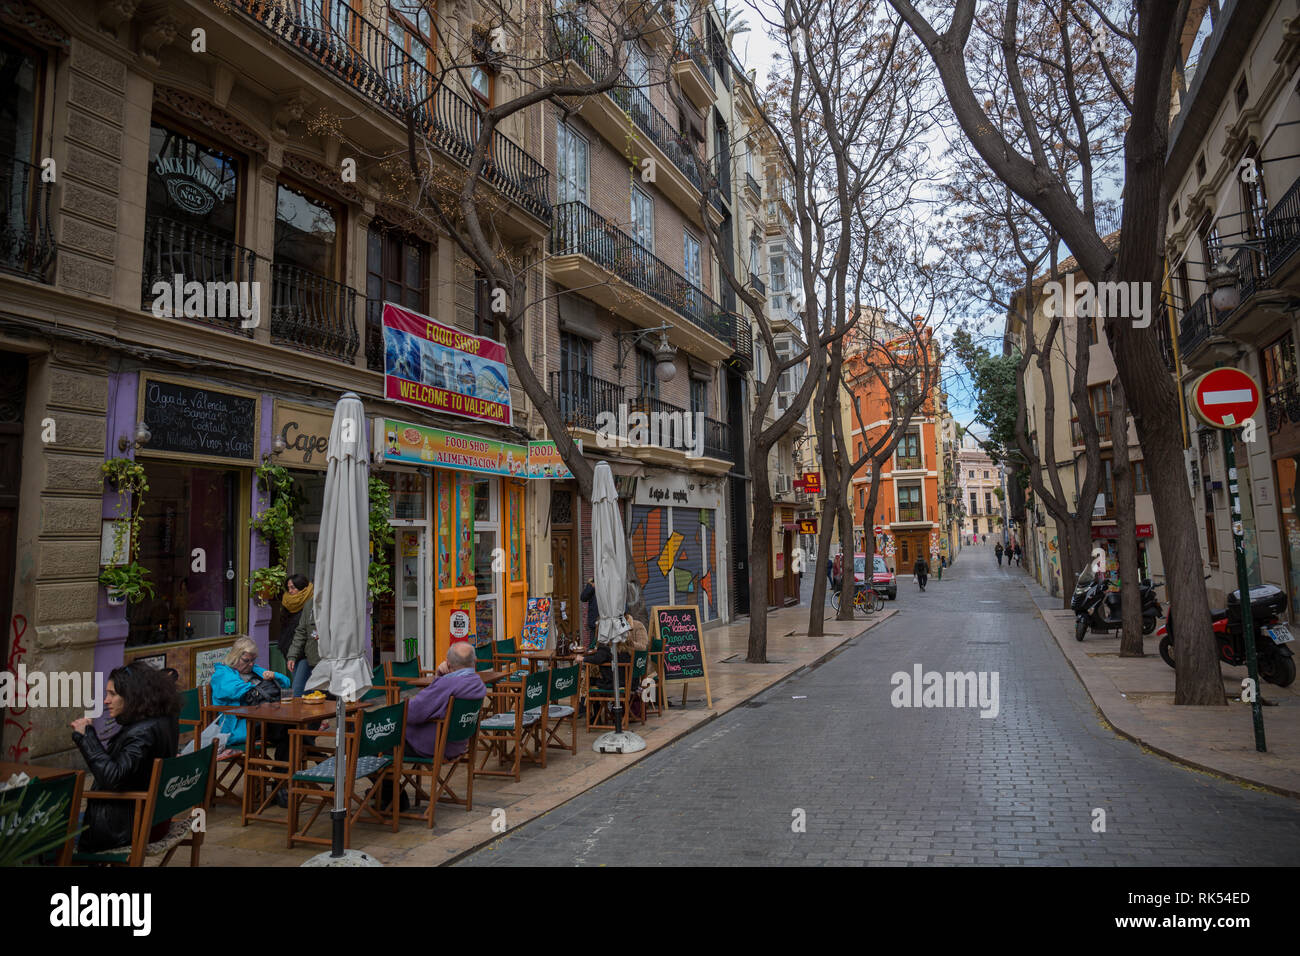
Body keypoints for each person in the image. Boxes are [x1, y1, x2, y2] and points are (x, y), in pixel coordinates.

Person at [70, 663, 180, 853]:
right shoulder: (164, 719)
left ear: (133, 696)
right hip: (151, 819)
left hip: (125, 827)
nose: (106, 700)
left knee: (43, 833)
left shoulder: (142, 733)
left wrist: (87, 738)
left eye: (112, 694)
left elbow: (113, 778)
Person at [405, 641, 487, 761]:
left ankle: (389, 780)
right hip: (458, 745)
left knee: (378, 743)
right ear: (475, 661)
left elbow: (412, 713)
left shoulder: (445, 684)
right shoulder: (478, 683)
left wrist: (439, 679)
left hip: (431, 746)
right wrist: (440, 677)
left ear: (448, 663)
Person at [286, 590, 321, 699]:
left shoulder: (337, 604)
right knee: (298, 693)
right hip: (310, 659)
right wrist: (292, 655)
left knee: (320, 697)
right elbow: (301, 632)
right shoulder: (309, 604)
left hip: (330, 662)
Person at [277, 574, 312, 669]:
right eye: (288, 588)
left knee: (298, 684)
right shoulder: (287, 603)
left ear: (302, 588)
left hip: (306, 655)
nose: (290, 591)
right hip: (290, 653)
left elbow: (303, 632)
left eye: (293, 588)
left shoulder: (311, 604)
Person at [579, 578, 599, 651]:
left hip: (607, 621)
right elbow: (583, 598)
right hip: (594, 621)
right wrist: (590, 585)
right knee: (593, 647)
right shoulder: (593, 582)